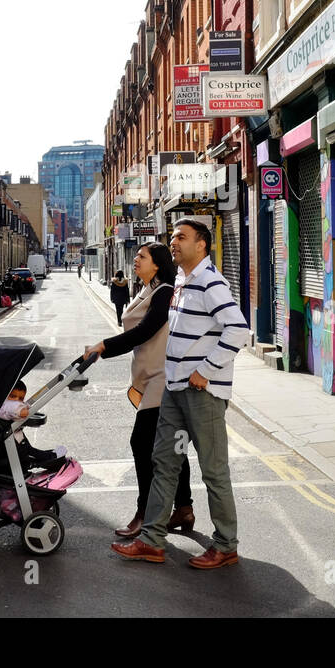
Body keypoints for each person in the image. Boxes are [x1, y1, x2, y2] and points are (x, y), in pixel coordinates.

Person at [112, 218, 248, 569]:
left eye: (181, 237)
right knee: (164, 462)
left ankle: (226, 544)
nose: (174, 242)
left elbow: (237, 329)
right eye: (172, 237)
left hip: (201, 393)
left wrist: (206, 370)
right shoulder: (183, 282)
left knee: (213, 470)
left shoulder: (209, 282)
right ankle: (152, 540)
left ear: (201, 245)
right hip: (174, 389)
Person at [85, 244, 193, 539]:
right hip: (150, 376)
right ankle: (184, 507)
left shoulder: (165, 292)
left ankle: (145, 512)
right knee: (171, 446)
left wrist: (104, 346)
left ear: (156, 264)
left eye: (141, 257)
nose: (135, 259)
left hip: (162, 377)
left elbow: (145, 330)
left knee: (141, 443)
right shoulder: (149, 289)